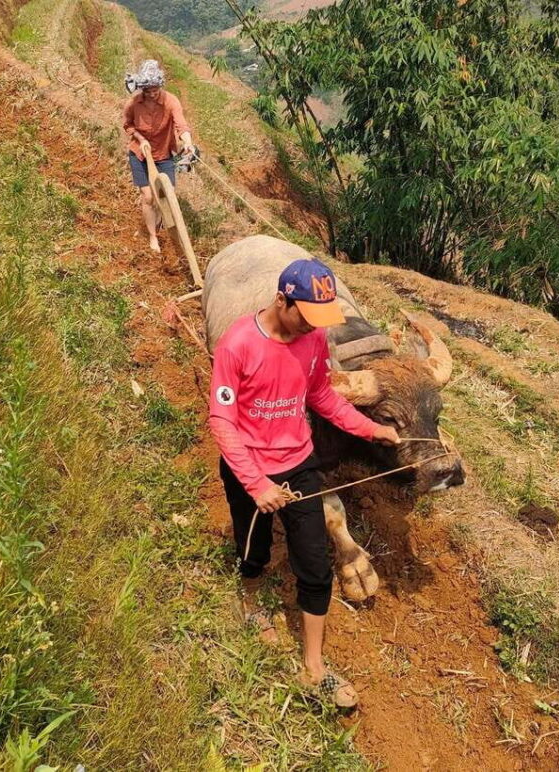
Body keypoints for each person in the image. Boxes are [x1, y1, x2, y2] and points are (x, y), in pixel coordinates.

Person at [208, 258, 400, 708]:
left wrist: (370, 429)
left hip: (298, 464)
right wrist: (256, 484)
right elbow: (222, 419)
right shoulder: (237, 344)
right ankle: (251, 599)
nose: (312, 328)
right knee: (252, 553)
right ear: (282, 300)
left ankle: (314, 666)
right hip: (247, 470)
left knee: (315, 564)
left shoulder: (313, 339)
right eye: (306, 315)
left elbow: (321, 396)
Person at [122, 60, 195, 253]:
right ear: (142, 89)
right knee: (147, 197)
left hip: (163, 154)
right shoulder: (134, 104)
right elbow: (127, 125)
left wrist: (187, 143)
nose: (152, 94)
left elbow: (181, 125)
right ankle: (153, 236)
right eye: (148, 91)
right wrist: (140, 138)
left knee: (165, 194)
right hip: (140, 154)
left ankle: (162, 222)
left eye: (155, 90)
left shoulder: (171, 101)